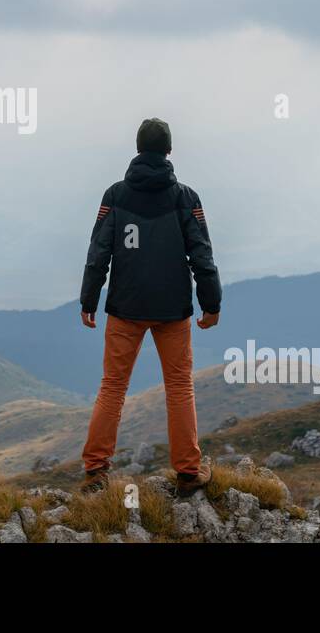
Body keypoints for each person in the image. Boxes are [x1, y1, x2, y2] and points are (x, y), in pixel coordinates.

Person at [78, 117, 222, 496]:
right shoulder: (185, 198)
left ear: (138, 149)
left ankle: (95, 472)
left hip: (125, 307)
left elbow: (98, 254)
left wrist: (88, 299)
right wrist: (212, 302)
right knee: (179, 386)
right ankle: (189, 473)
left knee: (113, 386)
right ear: (170, 150)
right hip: (173, 310)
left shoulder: (115, 196)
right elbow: (202, 257)